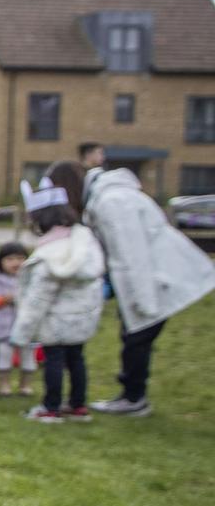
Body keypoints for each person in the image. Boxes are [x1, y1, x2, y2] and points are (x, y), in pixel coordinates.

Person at [69, 159, 215, 418]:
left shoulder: (112, 202)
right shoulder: (110, 198)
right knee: (134, 338)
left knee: (136, 339)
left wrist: (142, 299)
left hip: (155, 279)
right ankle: (132, 395)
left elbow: (132, 254)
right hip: (153, 278)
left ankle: (133, 398)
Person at [10, 178, 105, 422]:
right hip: (81, 317)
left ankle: (50, 407)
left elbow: (38, 297)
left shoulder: (49, 256)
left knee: (54, 359)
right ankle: (77, 405)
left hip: (55, 320)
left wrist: (22, 331)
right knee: (76, 359)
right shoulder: (85, 242)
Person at [0, 241, 35, 397]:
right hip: (3, 327)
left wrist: (15, 299)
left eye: (20, 258)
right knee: (4, 356)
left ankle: (25, 385)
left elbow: (36, 298)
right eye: (10, 259)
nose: (15, 263)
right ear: (0, 262)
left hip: (27, 327)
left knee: (28, 357)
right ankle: (4, 384)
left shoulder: (30, 279)